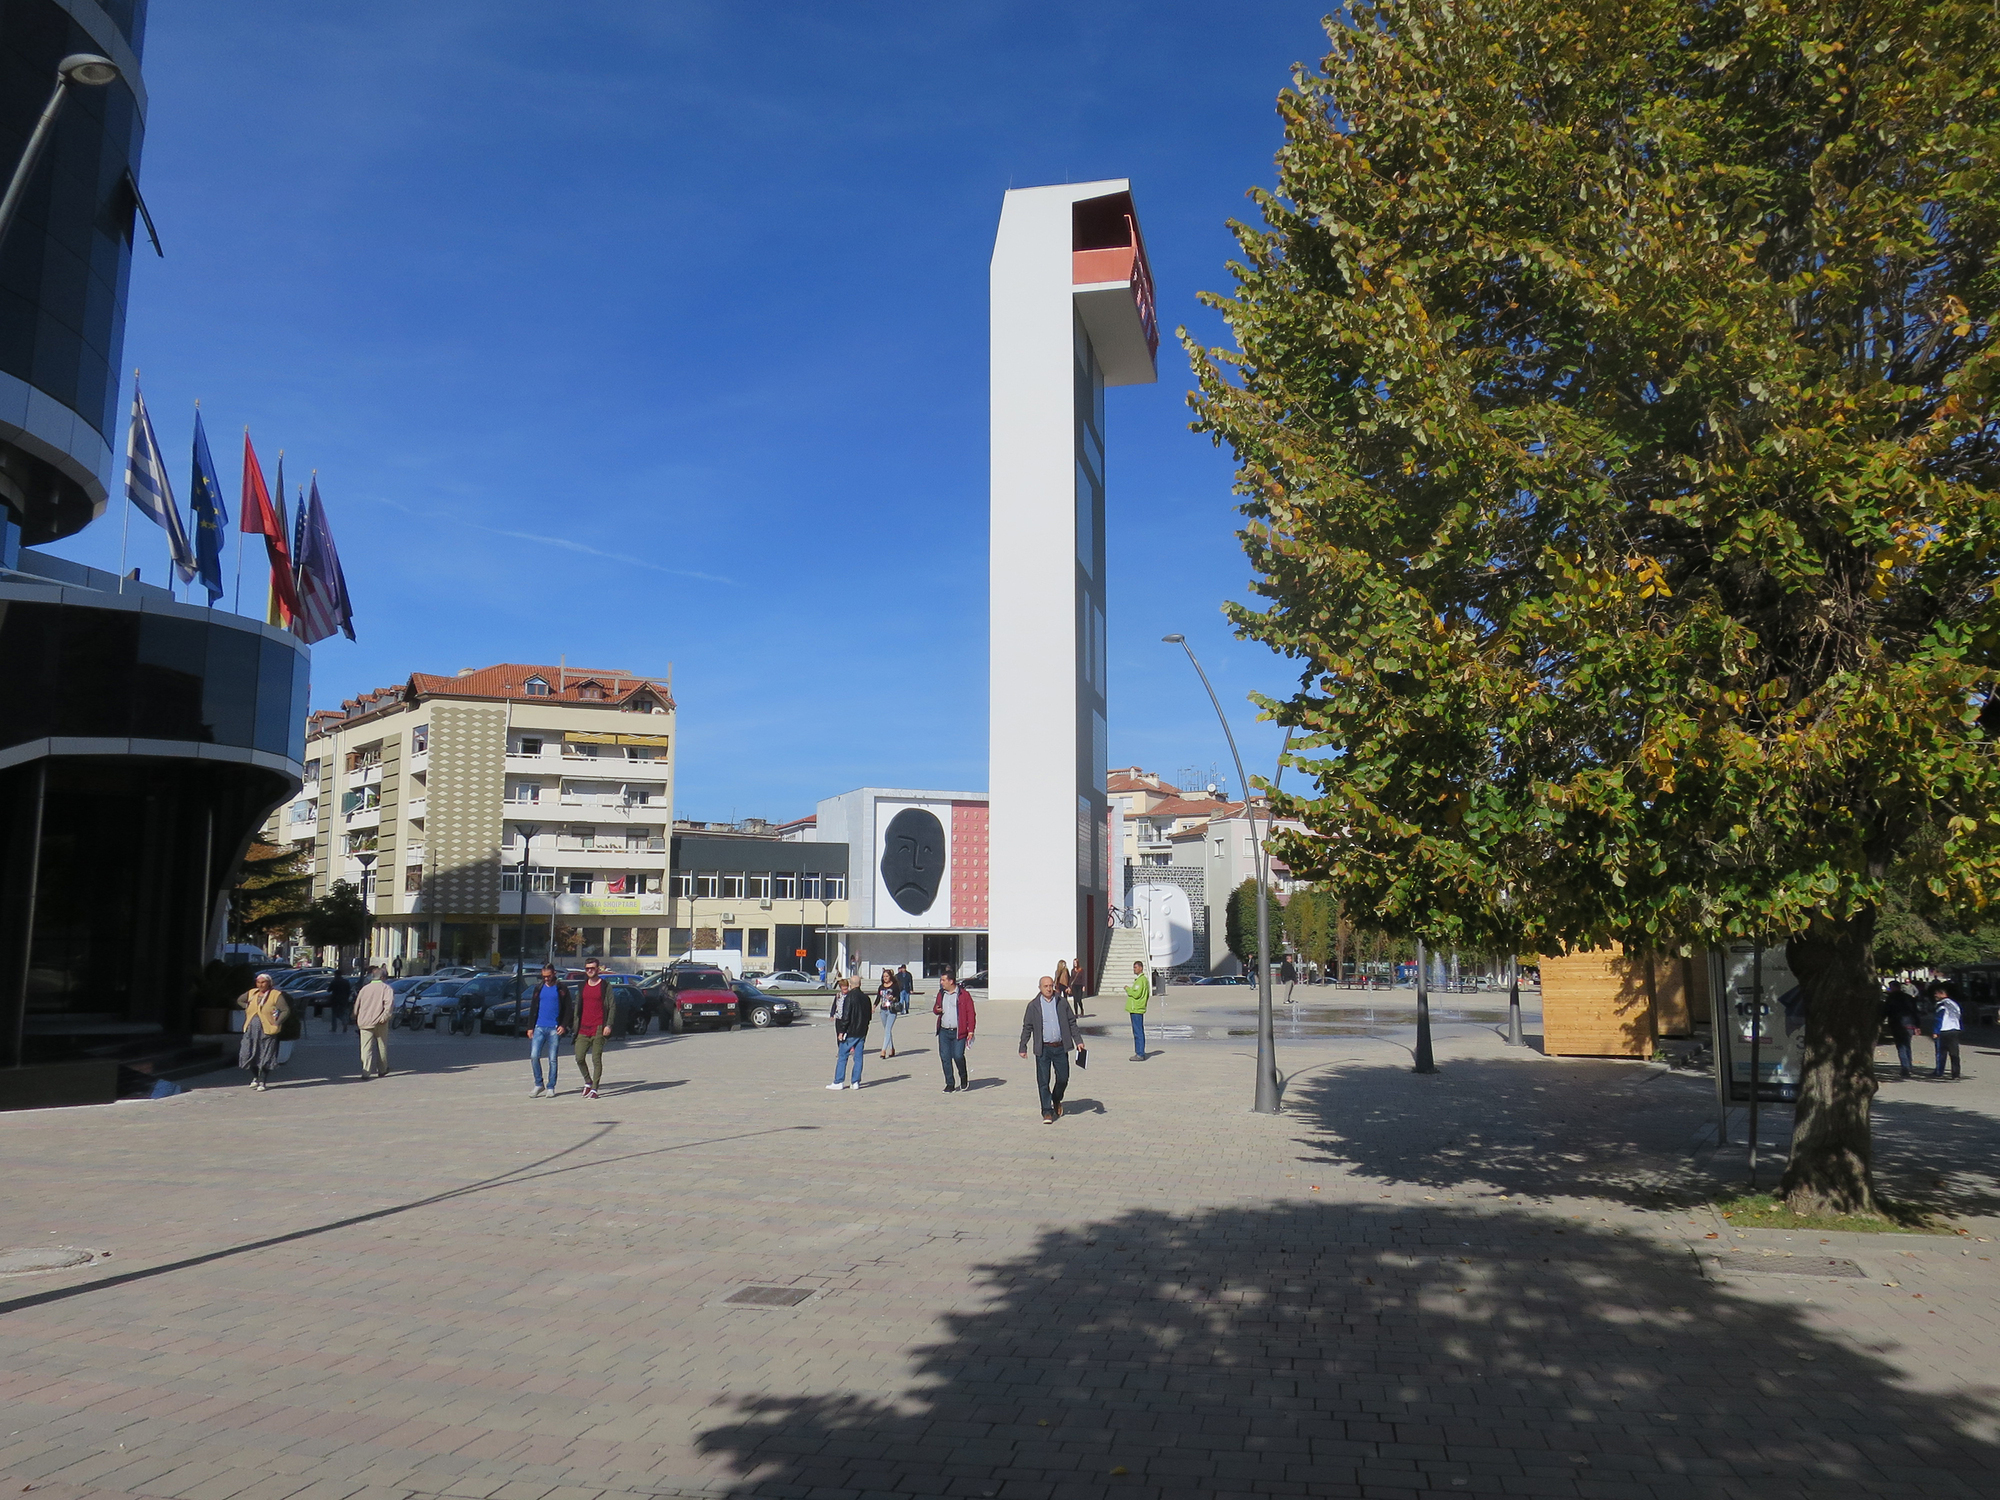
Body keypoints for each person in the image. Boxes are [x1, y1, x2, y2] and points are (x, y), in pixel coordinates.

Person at [1019, 974, 1084, 1124]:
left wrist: (1078, 1041)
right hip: (1043, 1049)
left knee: (1063, 1078)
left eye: (1050, 986)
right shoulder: (1033, 1005)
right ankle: (1047, 1111)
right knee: (1043, 1081)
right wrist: (1023, 1046)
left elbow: (1072, 1022)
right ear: (1040, 988)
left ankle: (1056, 1098)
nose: (1049, 989)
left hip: (1060, 1047)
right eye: (1045, 986)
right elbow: (1027, 1027)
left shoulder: (1061, 1002)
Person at [235, 973, 290, 1091]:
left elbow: (285, 1010)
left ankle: (262, 1081)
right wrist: (247, 1006)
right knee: (247, 1054)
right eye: (258, 982)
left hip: (267, 1030)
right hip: (251, 1030)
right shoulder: (252, 993)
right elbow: (240, 1000)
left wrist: (277, 1022)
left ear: (269, 983)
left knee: (265, 1056)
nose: (260, 984)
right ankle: (255, 1077)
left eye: (263, 982)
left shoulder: (276, 995)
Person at [573, 958, 615, 1099]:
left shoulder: (605, 986)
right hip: (583, 1028)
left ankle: (595, 1088)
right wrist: (574, 1025)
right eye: (587, 968)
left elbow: (612, 1006)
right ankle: (588, 1082)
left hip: (599, 1027)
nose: (589, 970)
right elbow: (578, 1007)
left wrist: (608, 1025)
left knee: (596, 1059)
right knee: (579, 1057)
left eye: (592, 968)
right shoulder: (582, 986)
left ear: (598, 969)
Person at [527, 963, 570, 1098]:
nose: (546, 979)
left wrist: (563, 1025)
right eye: (543, 976)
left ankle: (551, 1086)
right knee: (534, 1056)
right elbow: (533, 1008)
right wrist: (530, 1027)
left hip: (554, 1028)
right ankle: (539, 1084)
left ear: (554, 973)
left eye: (548, 976)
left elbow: (568, 1008)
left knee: (552, 1059)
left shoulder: (561, 988)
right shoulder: (538, 988)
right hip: (539, 1026)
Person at [934, 967, 976, 1092]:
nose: (941, 982)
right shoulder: (941, 994)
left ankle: (963, 1077)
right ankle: (950, 1083)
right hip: (944, 1031)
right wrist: (937, 1010)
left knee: (958, 1056)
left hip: (959, 1031)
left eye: (943, 980)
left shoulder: (964, 995)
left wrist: (971, 1030)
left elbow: (971, 1013)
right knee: (945, 1057)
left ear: (951, 981)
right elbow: (936, 1008)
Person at [352, 966, 396, 1078]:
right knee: (381, 1046)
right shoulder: (386, 989)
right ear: (382, 977)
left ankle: (365, 1071)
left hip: (364, 1021)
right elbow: (389, 1005)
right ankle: (382, 1069)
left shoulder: (364, 989)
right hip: (380, 1022)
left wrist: (354, 1015)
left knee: (366, 1048)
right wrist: (385, 1017)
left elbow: (357, 1005)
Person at [828, 978, 871, 1089]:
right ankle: (855, 1082)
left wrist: (842, 1030)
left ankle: (838, 1081)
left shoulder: (849, 997)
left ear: (851, 985)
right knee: (858, 1057)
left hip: (851, 1031)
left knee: (842, 1055)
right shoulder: (866, 998)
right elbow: (869, 1017)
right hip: (862, 1031)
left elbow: (846, 1016)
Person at [1883, 982, 1923, 1079]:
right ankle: (1909, 1066)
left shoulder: (1891, 998)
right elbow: (1915, 1011)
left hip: (1897, 1024)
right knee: (1907, 1045)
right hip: (1909, 1024)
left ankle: (1905, 1068)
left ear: (1893, 987)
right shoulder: (1908, 997)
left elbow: (1886, 1010)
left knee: (1901, 1046)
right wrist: (1917, 1025)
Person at [1933, 982, 1964, 1081]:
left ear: (1942, 994)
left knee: (1941, 1053)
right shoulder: (1954, 1004)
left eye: (1936, 994)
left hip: (1943, 1030)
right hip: (1954, 1030)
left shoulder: (1941, 1005)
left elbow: (1939, 1020)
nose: (1935, 996)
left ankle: (1939, 1071)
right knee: (1954, 1053)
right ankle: (1956, 1074)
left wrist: (1935, 1031)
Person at [1125, 959, 1151, 1060]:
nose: (1134, 969)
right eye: (1133, 967)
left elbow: (1136, 994)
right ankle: (1139, 1052)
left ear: (1140, 968)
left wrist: (1128, 989)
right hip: (1136, 1008)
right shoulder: (1140, 980)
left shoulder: (1141, 980)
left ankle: (1140, 1053)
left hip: (1136, 1009)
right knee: (1138, 1030)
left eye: (1135, 967)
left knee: (1138, 1031)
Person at [876, 971, 899, 1057]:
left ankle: (883, 1050)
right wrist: (874, 1006)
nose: (885, 978)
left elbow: (898, 998)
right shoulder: (881, 987)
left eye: (887, 976)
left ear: (890, 977)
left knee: (887, 1030)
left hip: (891, 1010)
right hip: (883, 1010)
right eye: (884, 976)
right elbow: (878, 997)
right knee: (887, 1030)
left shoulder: (895, 986)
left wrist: (893, 998)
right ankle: (892, 1048)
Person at [326, 967, 353, 1033]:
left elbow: (329, 990)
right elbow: (349, 991)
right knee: (342, 1012)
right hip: (344, 999)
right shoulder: (346, 982)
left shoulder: (334, 981)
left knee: (334, 1014)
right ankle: (344, 1023)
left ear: (335, 974)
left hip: (335, 999)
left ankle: (334, 1028)